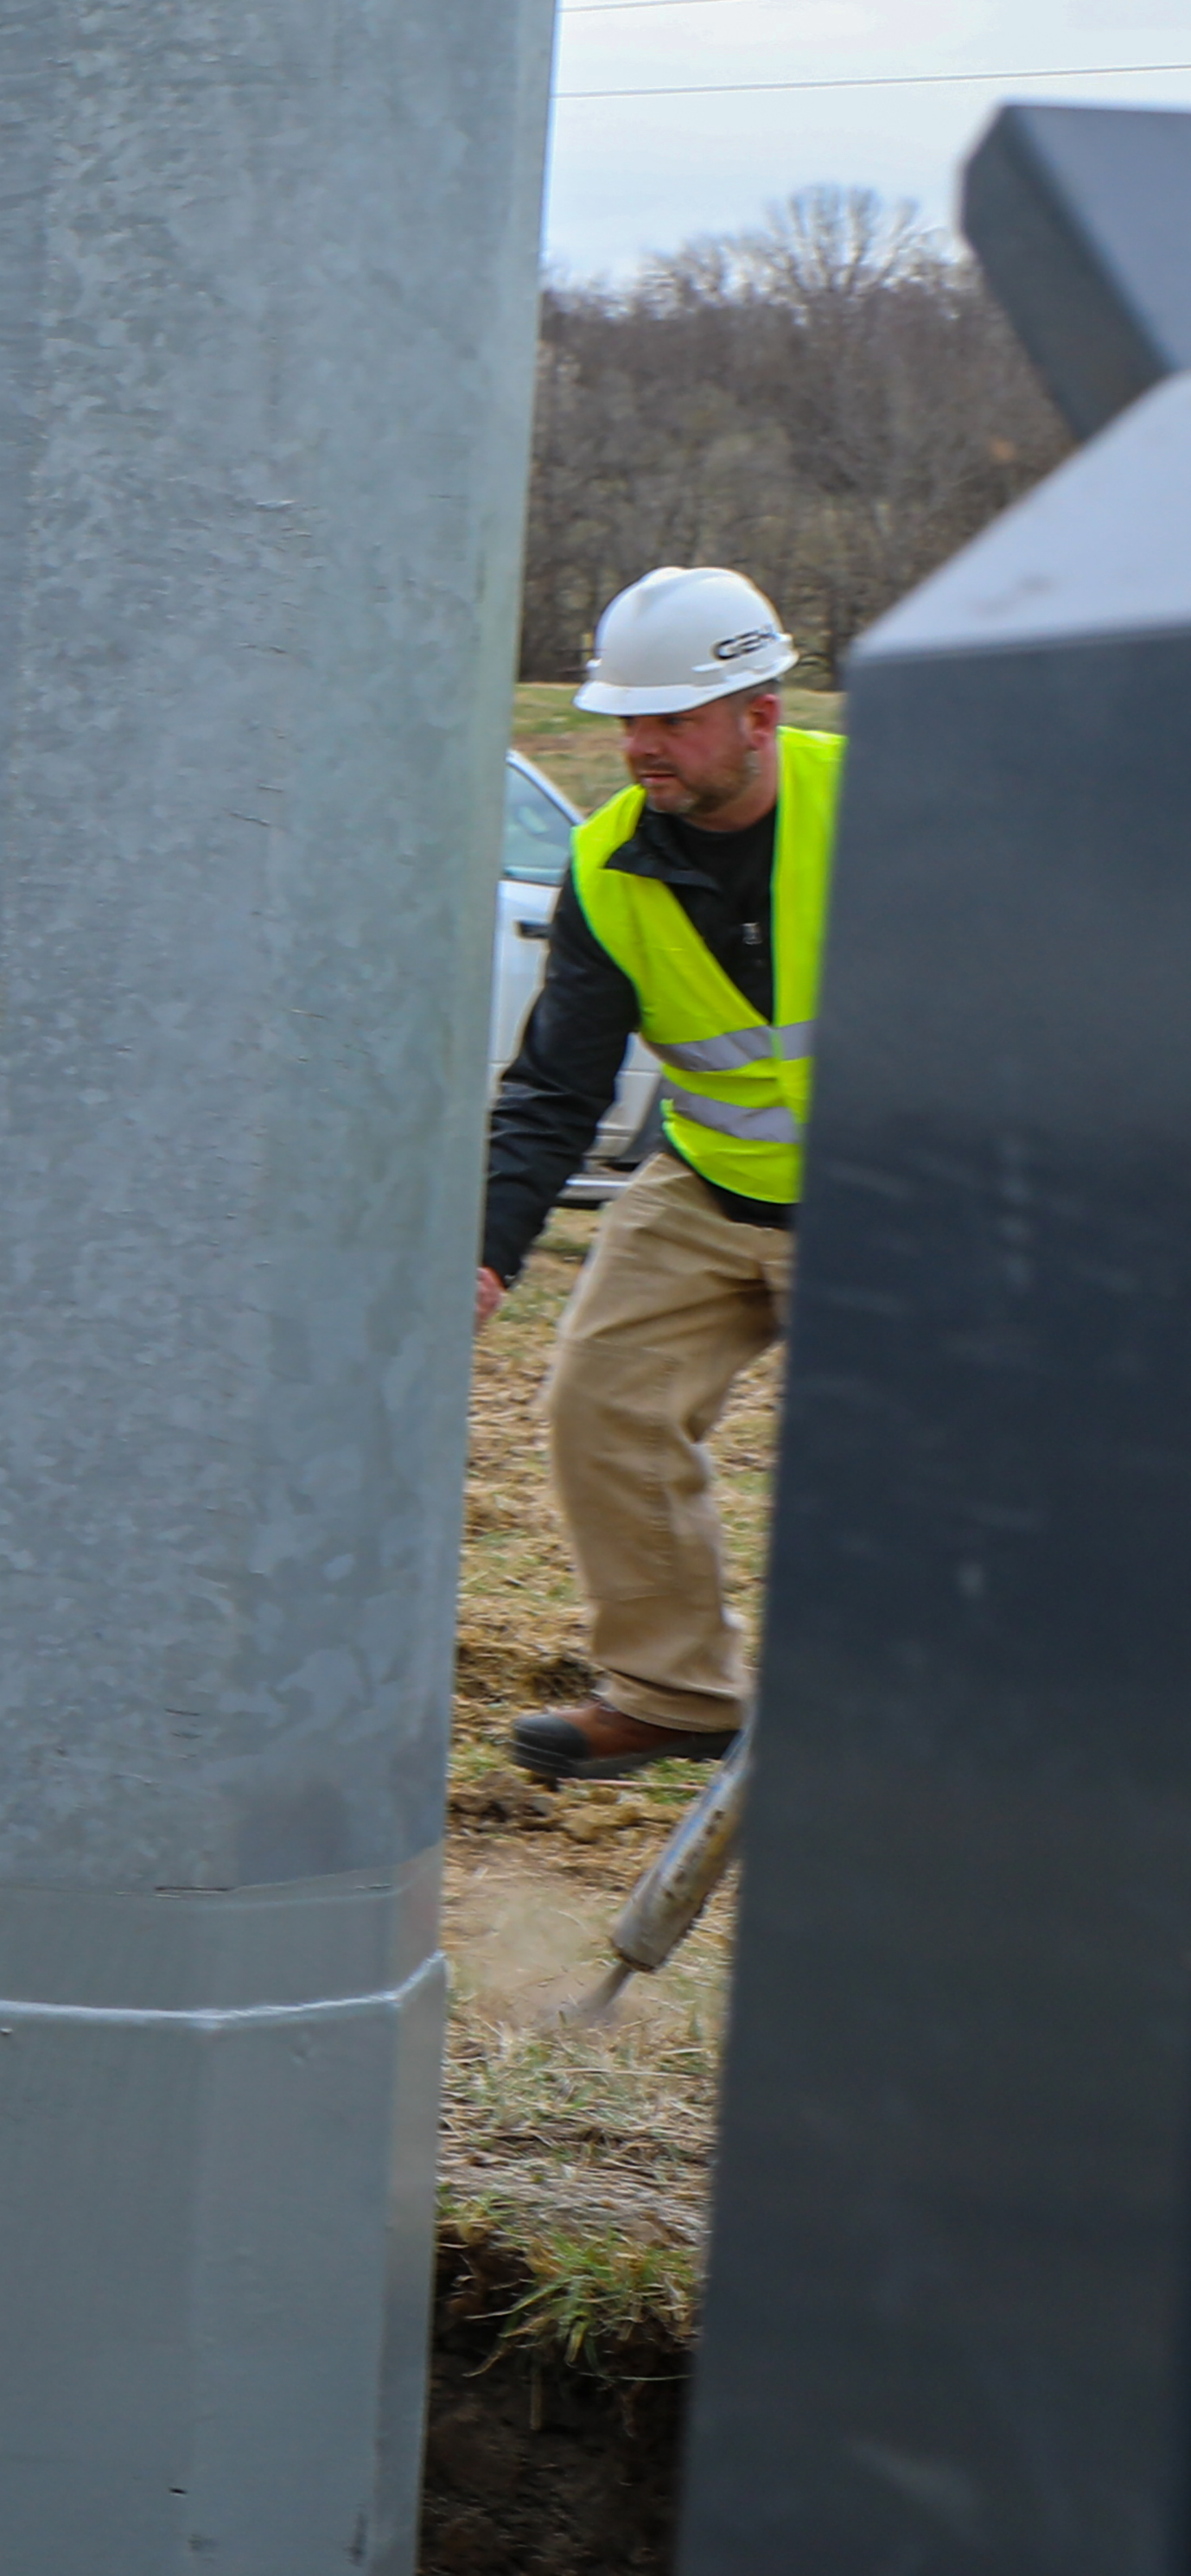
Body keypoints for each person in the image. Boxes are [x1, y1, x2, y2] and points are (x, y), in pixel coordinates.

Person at [478, 563, 828, 1782]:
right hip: (708, 1184)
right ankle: (680, 1691)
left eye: (670, 717)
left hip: (897, 1189)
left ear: (761, 715)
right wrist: (490, 1247)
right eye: (627, 717)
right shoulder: (606, 863)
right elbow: (557, 1086)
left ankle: (928, 1715)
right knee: (600, 1399)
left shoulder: (898, 809)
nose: (641, 745)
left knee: (911, 1461)